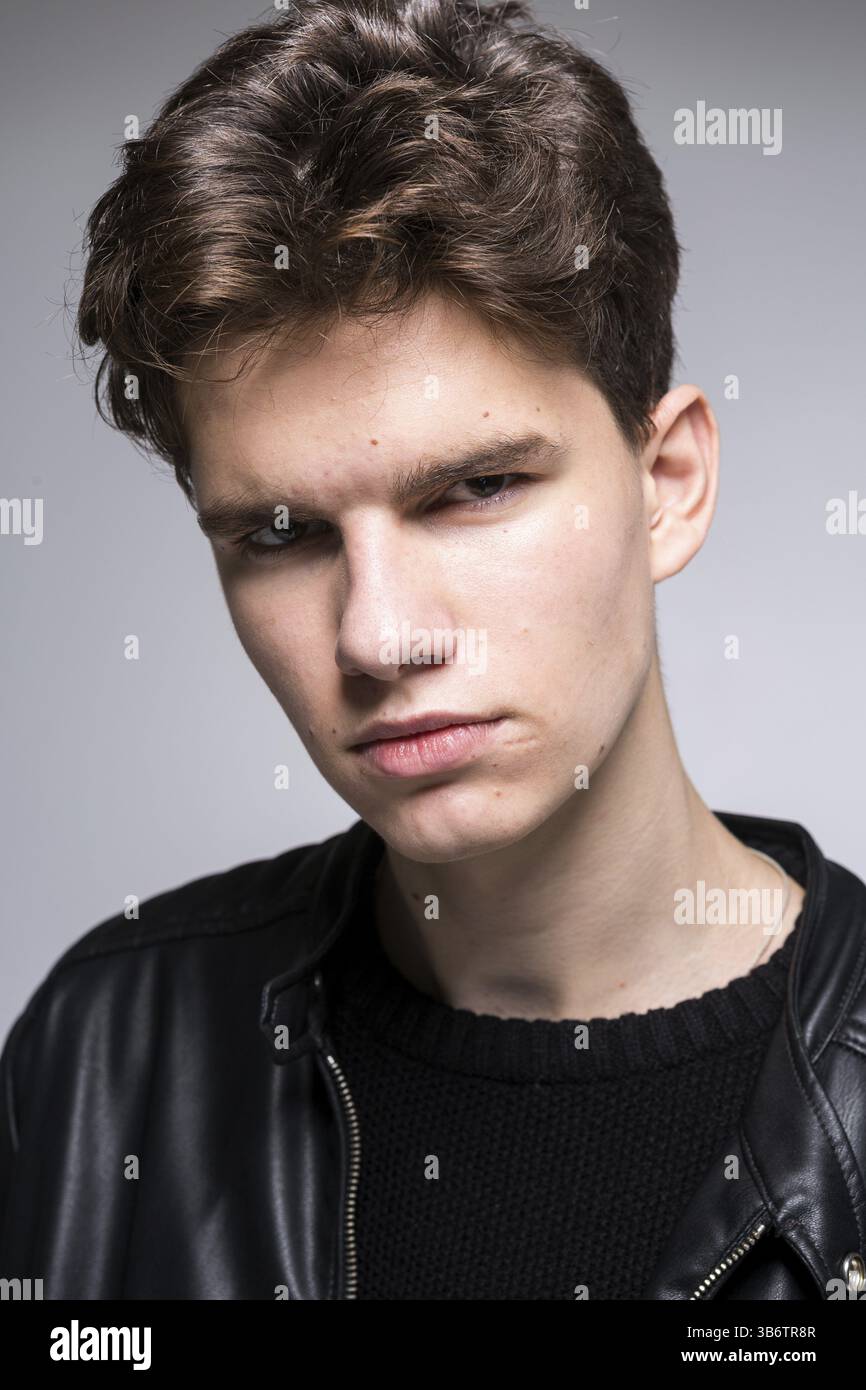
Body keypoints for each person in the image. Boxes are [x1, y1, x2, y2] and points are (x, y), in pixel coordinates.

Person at [2, 0, 865, 1302]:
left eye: (471, 490)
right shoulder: (105, 1051)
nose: (377, 633)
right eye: (280, 534)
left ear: (668, 481)